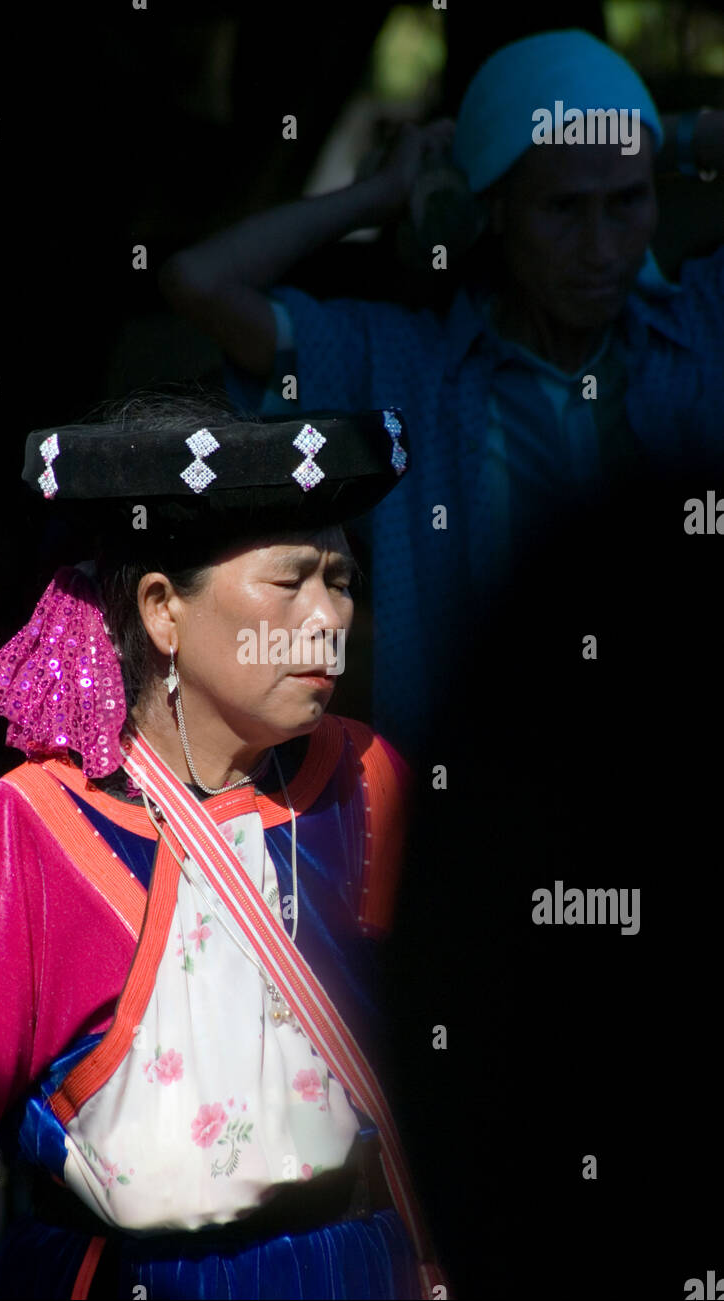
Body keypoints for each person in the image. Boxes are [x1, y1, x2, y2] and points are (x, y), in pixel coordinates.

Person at [0, 394, 445, 1300]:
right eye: (291, 583)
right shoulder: (37, 833)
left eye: (342, 579)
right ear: (164, 609)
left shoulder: (371, 787)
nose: (328, 616)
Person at [159, 29, 724, 756]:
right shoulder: (404, 369)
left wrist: (670, 137)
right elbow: (198, 282)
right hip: (487, 792)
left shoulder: (700, 334)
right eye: (563, 209)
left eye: (628, 201)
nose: (603, 248)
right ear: (491, 211)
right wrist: (381, 195)